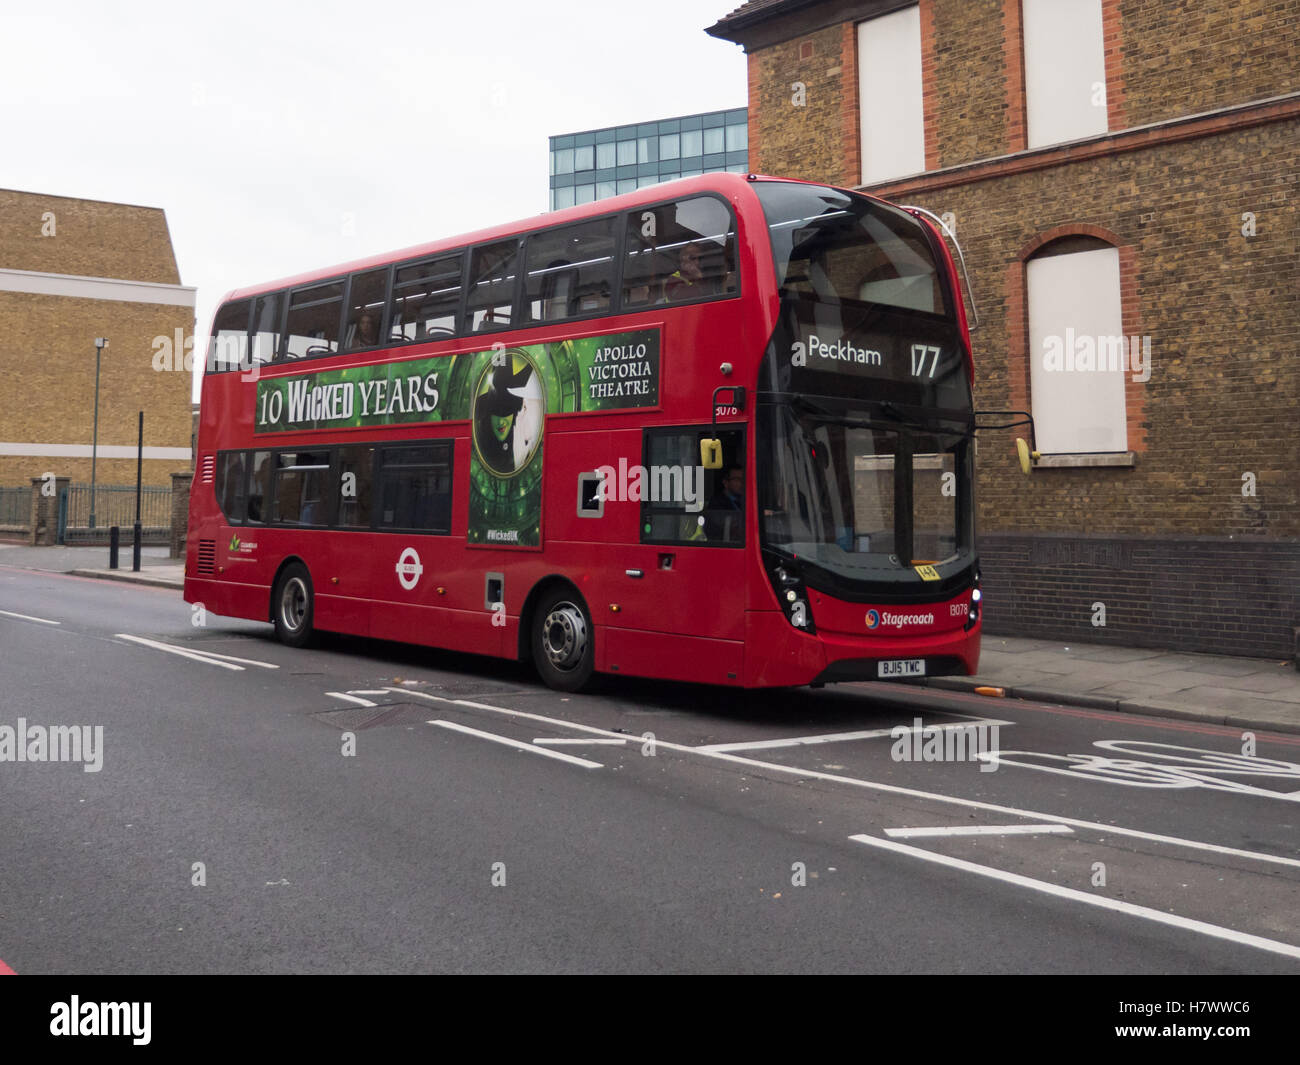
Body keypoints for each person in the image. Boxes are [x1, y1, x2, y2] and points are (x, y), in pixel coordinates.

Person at [704, 465, 744, 541]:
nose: (742, 483)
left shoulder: (744, 500)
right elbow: (726, 525)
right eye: (737, 479)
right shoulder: (716, 503)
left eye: (744, 479)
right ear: (725, 483)